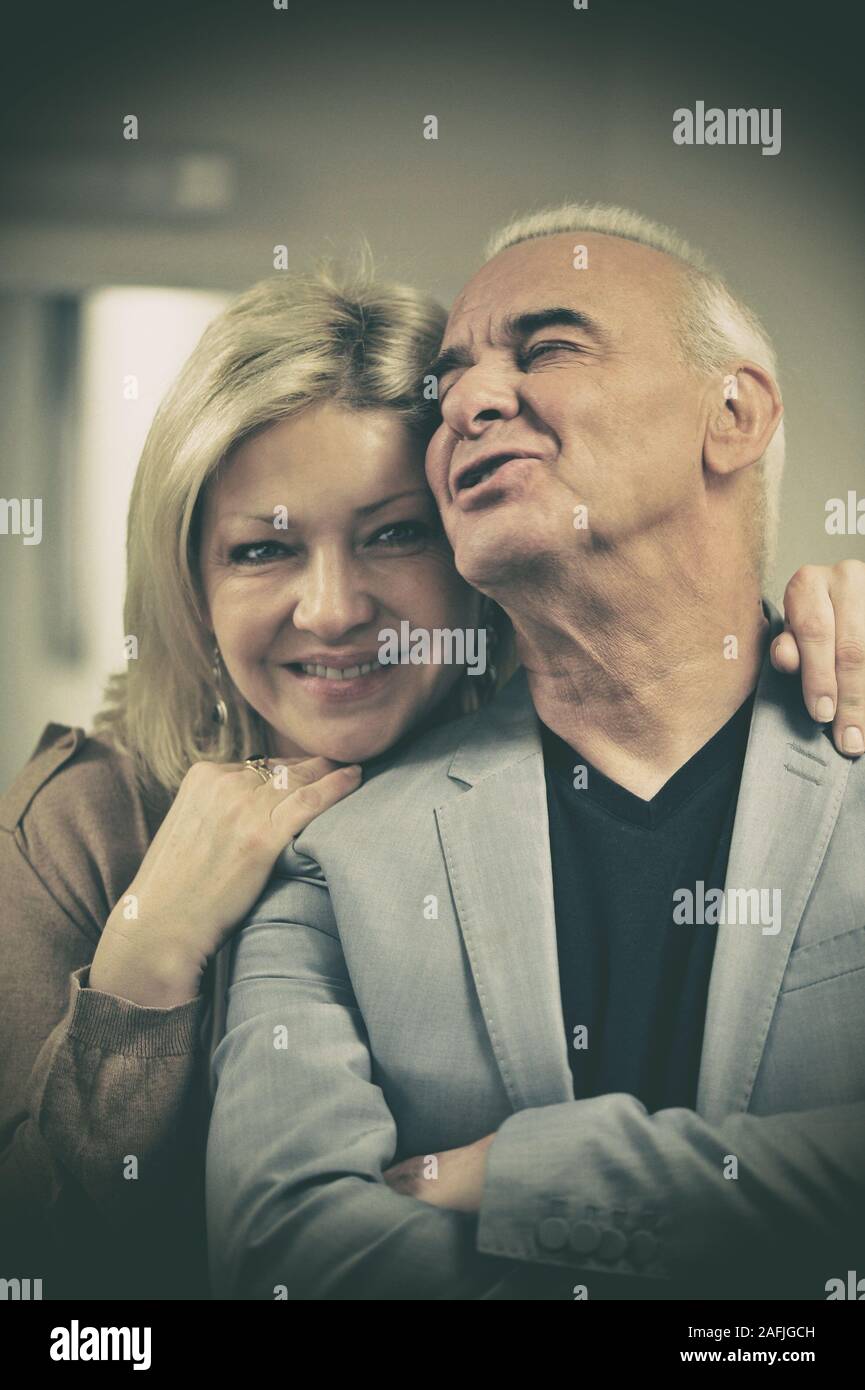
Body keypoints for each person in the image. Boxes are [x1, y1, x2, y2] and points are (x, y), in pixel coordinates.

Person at [206, 205, 865, 1301]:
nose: (466, 398)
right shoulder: (329, 859)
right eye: (448, 381)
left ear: (734, 412)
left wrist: (541, 1177)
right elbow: (283, 1252)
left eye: (548, 347)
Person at [0, 266, 501, 1298]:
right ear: (189, 579)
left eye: (394, 532)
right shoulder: (75, 823)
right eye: (264, 548)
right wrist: (142, 965)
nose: (330, 608)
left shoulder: (556, 762)